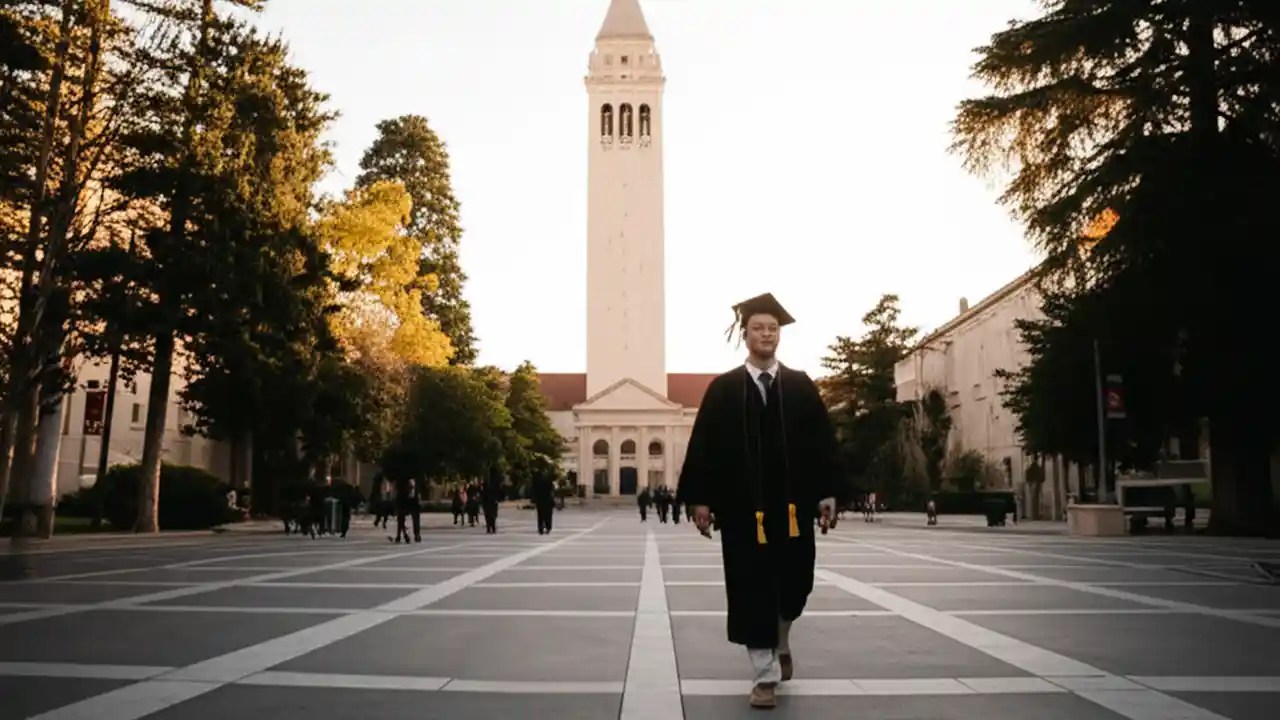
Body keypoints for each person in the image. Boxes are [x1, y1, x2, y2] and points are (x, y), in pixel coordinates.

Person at [676, 292, 841, 710]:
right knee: (751, 590)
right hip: (742, 513)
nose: (766, 334)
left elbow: (822, 444)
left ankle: (782, 638)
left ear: (779, 334)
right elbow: (704, 448)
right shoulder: (723, 389)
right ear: (744, 334)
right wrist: (700, 499)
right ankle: (764, 674)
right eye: (758, 328)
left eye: (772, 328)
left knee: (795, 586)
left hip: (792, 511)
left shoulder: (801, 386)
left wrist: (827, 492)